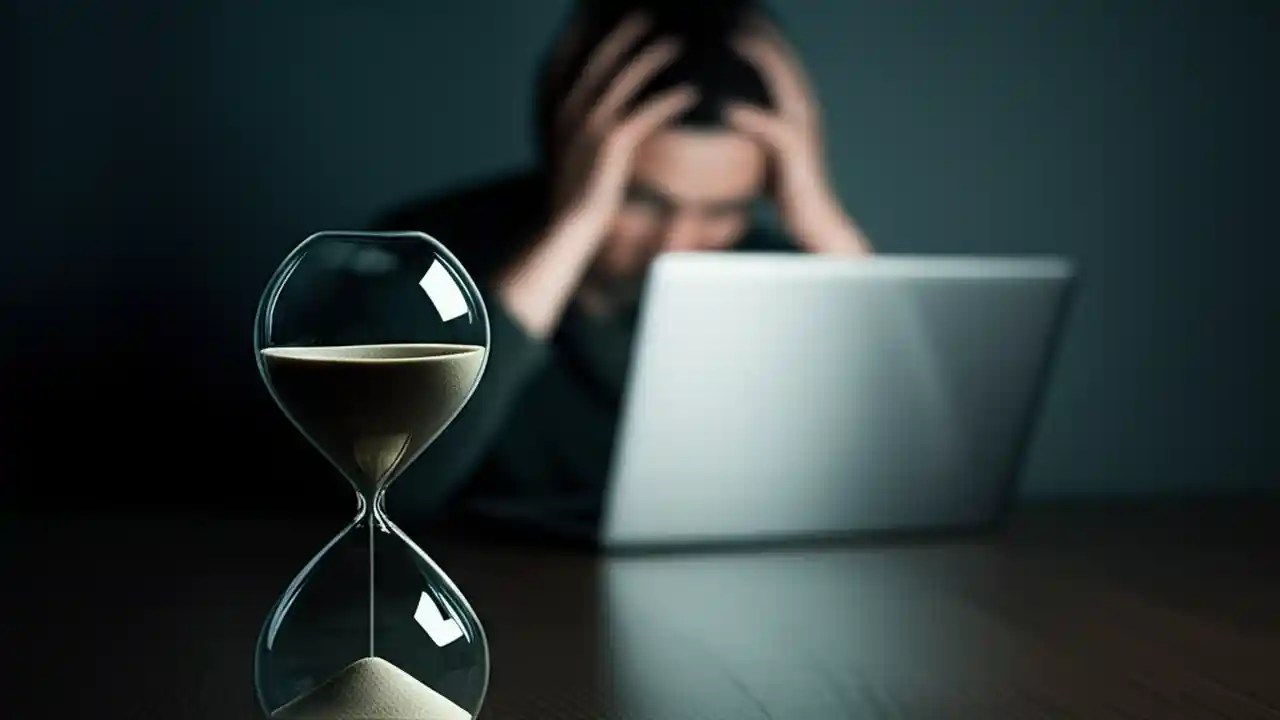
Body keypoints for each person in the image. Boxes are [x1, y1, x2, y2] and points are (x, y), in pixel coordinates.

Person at [374, 0, 873, 530]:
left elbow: (918, 459)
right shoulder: (425, 258)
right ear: (572, 158)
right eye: (639, 199)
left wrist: (826, 225)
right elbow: (386, 489)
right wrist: (575, 223)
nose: (677, 246)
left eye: (724, 209)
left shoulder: (793, 282)